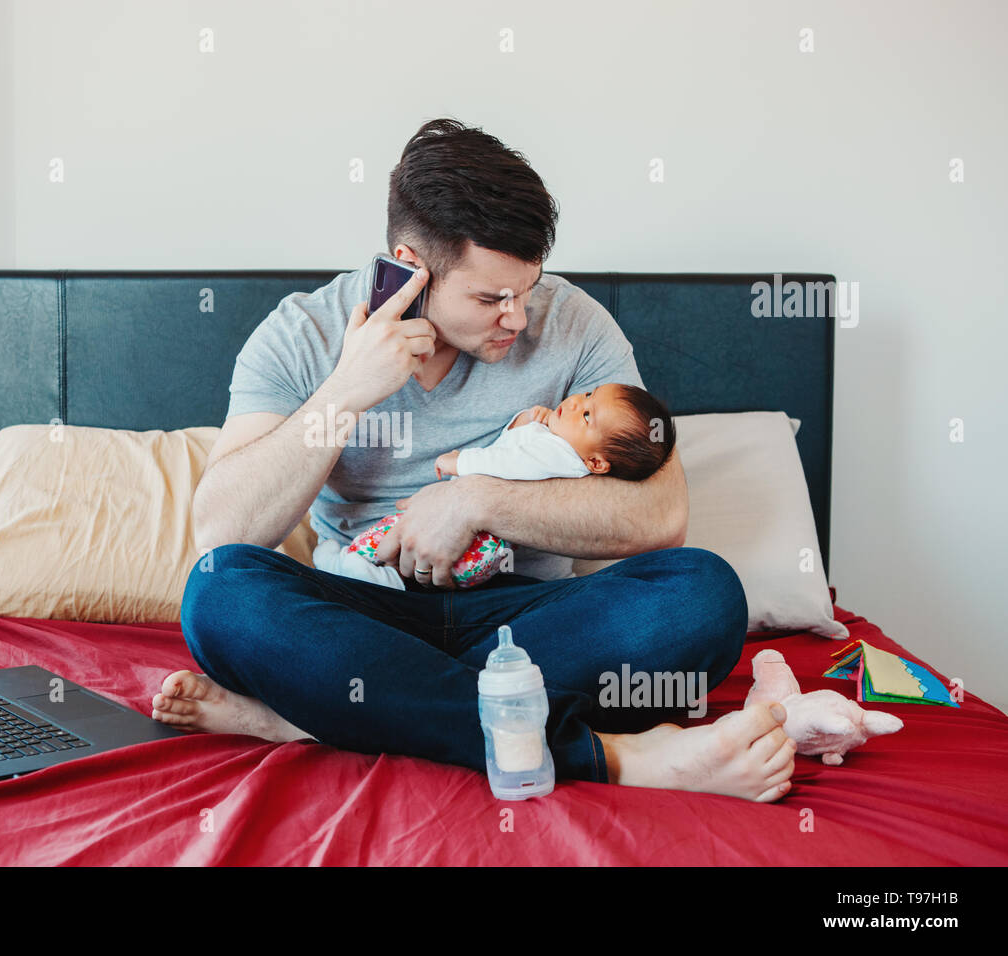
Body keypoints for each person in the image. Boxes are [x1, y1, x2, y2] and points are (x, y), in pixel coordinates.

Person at [154, 118, 795, 802]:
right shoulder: (301, 334)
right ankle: (614, 759)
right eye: (491, 299)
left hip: (528, 621)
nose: (518, 318)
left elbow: (662, 513)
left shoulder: (574, 323)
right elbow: (221, 533)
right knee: (222, 588)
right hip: (363, 617)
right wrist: (346, 390)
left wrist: (474, 500)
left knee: (702, 593)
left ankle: (330, 713)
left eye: (527, 288)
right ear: (411, 264)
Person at [323, 383, 678, 590]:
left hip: (481, 546)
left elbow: (505, 463)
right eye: (586, 395)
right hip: (486, 558)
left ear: (597, 463)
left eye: (587, 416)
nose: (574, 403)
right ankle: (369, 577)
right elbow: (512, 446)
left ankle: (355, 566)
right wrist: (526, 422)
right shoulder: (560, 447)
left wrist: (459, 462)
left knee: (396, 534)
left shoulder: (558, 455)